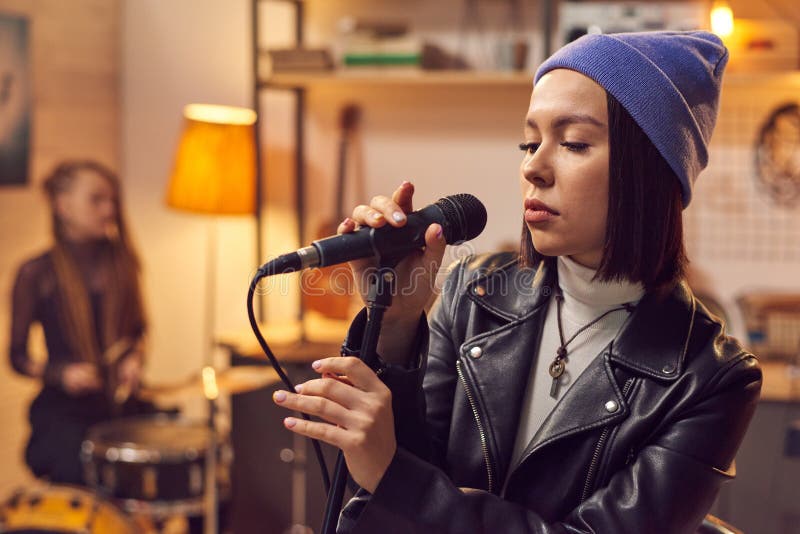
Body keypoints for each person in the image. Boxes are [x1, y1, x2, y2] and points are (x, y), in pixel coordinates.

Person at [272, 31, 762, 532]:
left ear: (650, 171)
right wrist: (394, 321)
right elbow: (398, 491)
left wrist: (394, 478)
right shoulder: (473, 291)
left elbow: (404, 485)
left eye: (573, 143)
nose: (533, 166)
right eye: (530, 142)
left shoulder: (713, 379)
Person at [8, 160, 151, 485]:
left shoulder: (123, 263)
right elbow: (16, 357)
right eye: (97, 200)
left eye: (112, 200)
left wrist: (134, 357)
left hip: (119, 403)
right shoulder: (35, 273)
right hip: (64, 411)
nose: (109, 209)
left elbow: (138, 330)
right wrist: (60, 373)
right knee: (80, 469)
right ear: (63, 206)